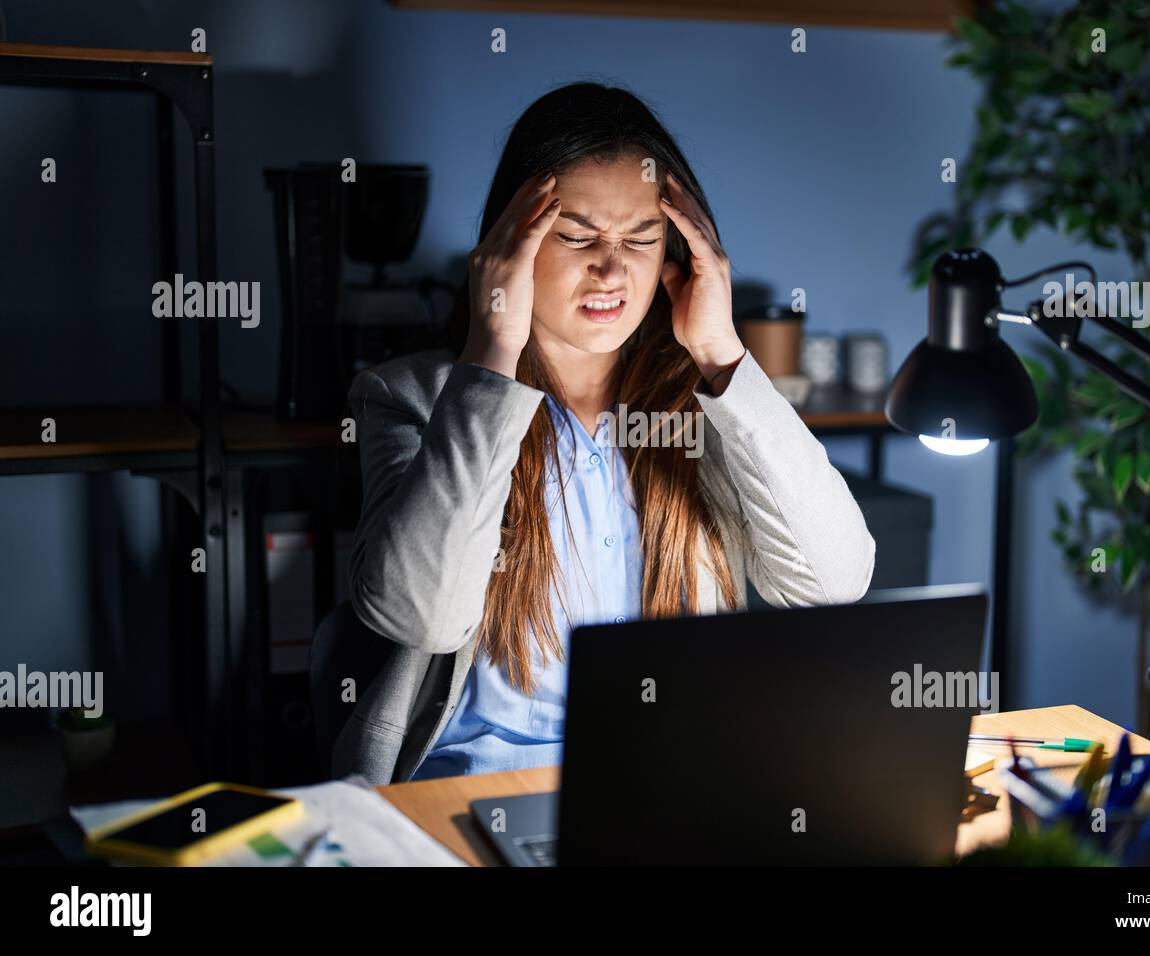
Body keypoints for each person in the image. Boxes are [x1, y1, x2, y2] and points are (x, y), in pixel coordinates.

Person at [335, 82, 875, 785]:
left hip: (674, 789)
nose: (613, 269)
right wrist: (492, 353)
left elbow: (834, 583)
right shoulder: (408, 397)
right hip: (480, 792)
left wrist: (721, 356)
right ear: (510, 244)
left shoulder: (707, 405)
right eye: (579, 236)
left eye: (641, 239)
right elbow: (421, 618)